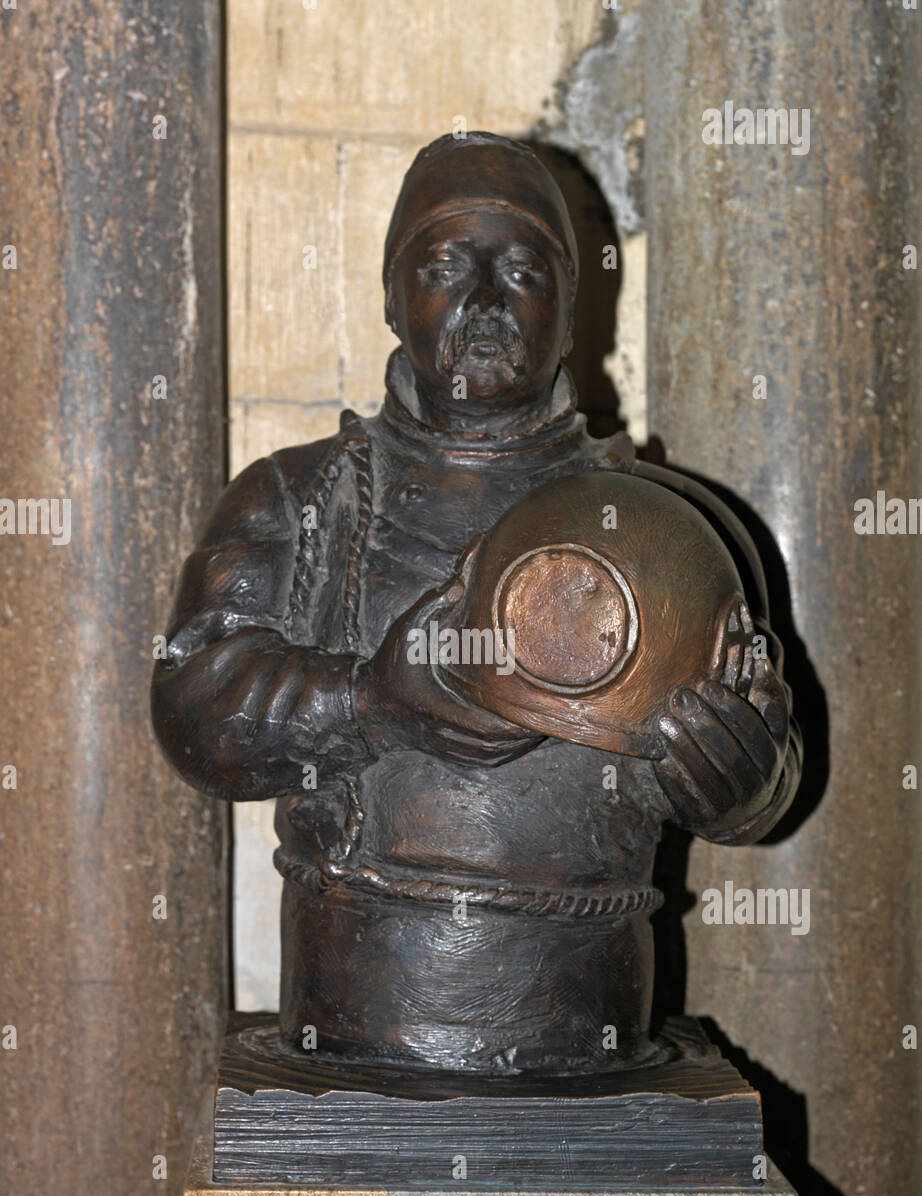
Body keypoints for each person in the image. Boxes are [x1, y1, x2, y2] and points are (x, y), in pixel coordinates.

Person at [152, 133, 800, 1076]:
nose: (488, 302)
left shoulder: (671, 530)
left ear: (572, 308)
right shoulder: (299, 498)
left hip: (589, 1030)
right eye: (448, 265)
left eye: (526, 269)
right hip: (356, 1026)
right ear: (391, 295)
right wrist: (371, 703)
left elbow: (767, 775)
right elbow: (191, 706)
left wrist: (739, 776)